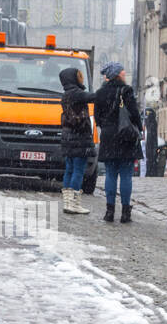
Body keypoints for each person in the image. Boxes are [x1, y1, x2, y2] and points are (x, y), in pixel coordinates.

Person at [94, 62, 143, 223]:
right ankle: (125, 213)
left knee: (110, 174)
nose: (124, 74)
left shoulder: (100, 93)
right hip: (126, 137)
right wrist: (138, 128)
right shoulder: (126, 91)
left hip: (108, 137)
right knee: (126, 175)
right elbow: (135, 114)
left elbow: (97, 117)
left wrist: (108, 127)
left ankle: (109, 211)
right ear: (117, 74)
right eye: (123, 71)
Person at [59, 66, 96, 214]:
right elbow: (93, 97)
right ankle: (74, 203)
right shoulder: (76, 93)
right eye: (79, 76)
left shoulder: (66, 94)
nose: (81, 78)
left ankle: (68, 202)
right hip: (79, 138)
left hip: (68, 137)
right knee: (78, 170)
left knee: (69, 170)